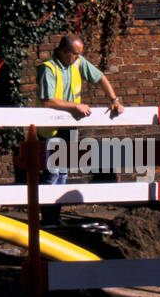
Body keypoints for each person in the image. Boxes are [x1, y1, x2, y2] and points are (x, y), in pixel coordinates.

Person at [18, 34, 123, 223]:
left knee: (63, 172)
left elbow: (100, 78)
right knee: (52, 173)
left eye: (79, 54)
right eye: (75, 54)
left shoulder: (77, 63)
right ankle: (48, 218)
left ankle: (54, 218)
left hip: (69, 128)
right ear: (64, 51)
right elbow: (48, 101)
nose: (78, 58)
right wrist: (74, 107)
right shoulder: (48, 68)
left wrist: (114, 100)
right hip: (51, 130)